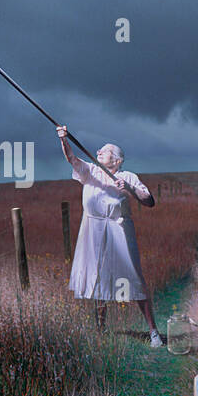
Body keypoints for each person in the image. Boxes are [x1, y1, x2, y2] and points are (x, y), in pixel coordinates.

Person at [57, 125, 163, 346]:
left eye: (104, 152)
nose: (98, 153)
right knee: (97, 278)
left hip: (120, 229)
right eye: (99, 151)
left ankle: (153, 332)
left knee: (133, 276)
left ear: (116, 160)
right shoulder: (91, 171)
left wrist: (129, 190)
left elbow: (149, 201)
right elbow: (72, 159)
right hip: (92, 230)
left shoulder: (128, 176)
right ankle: (100, 331)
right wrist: (64, 139)